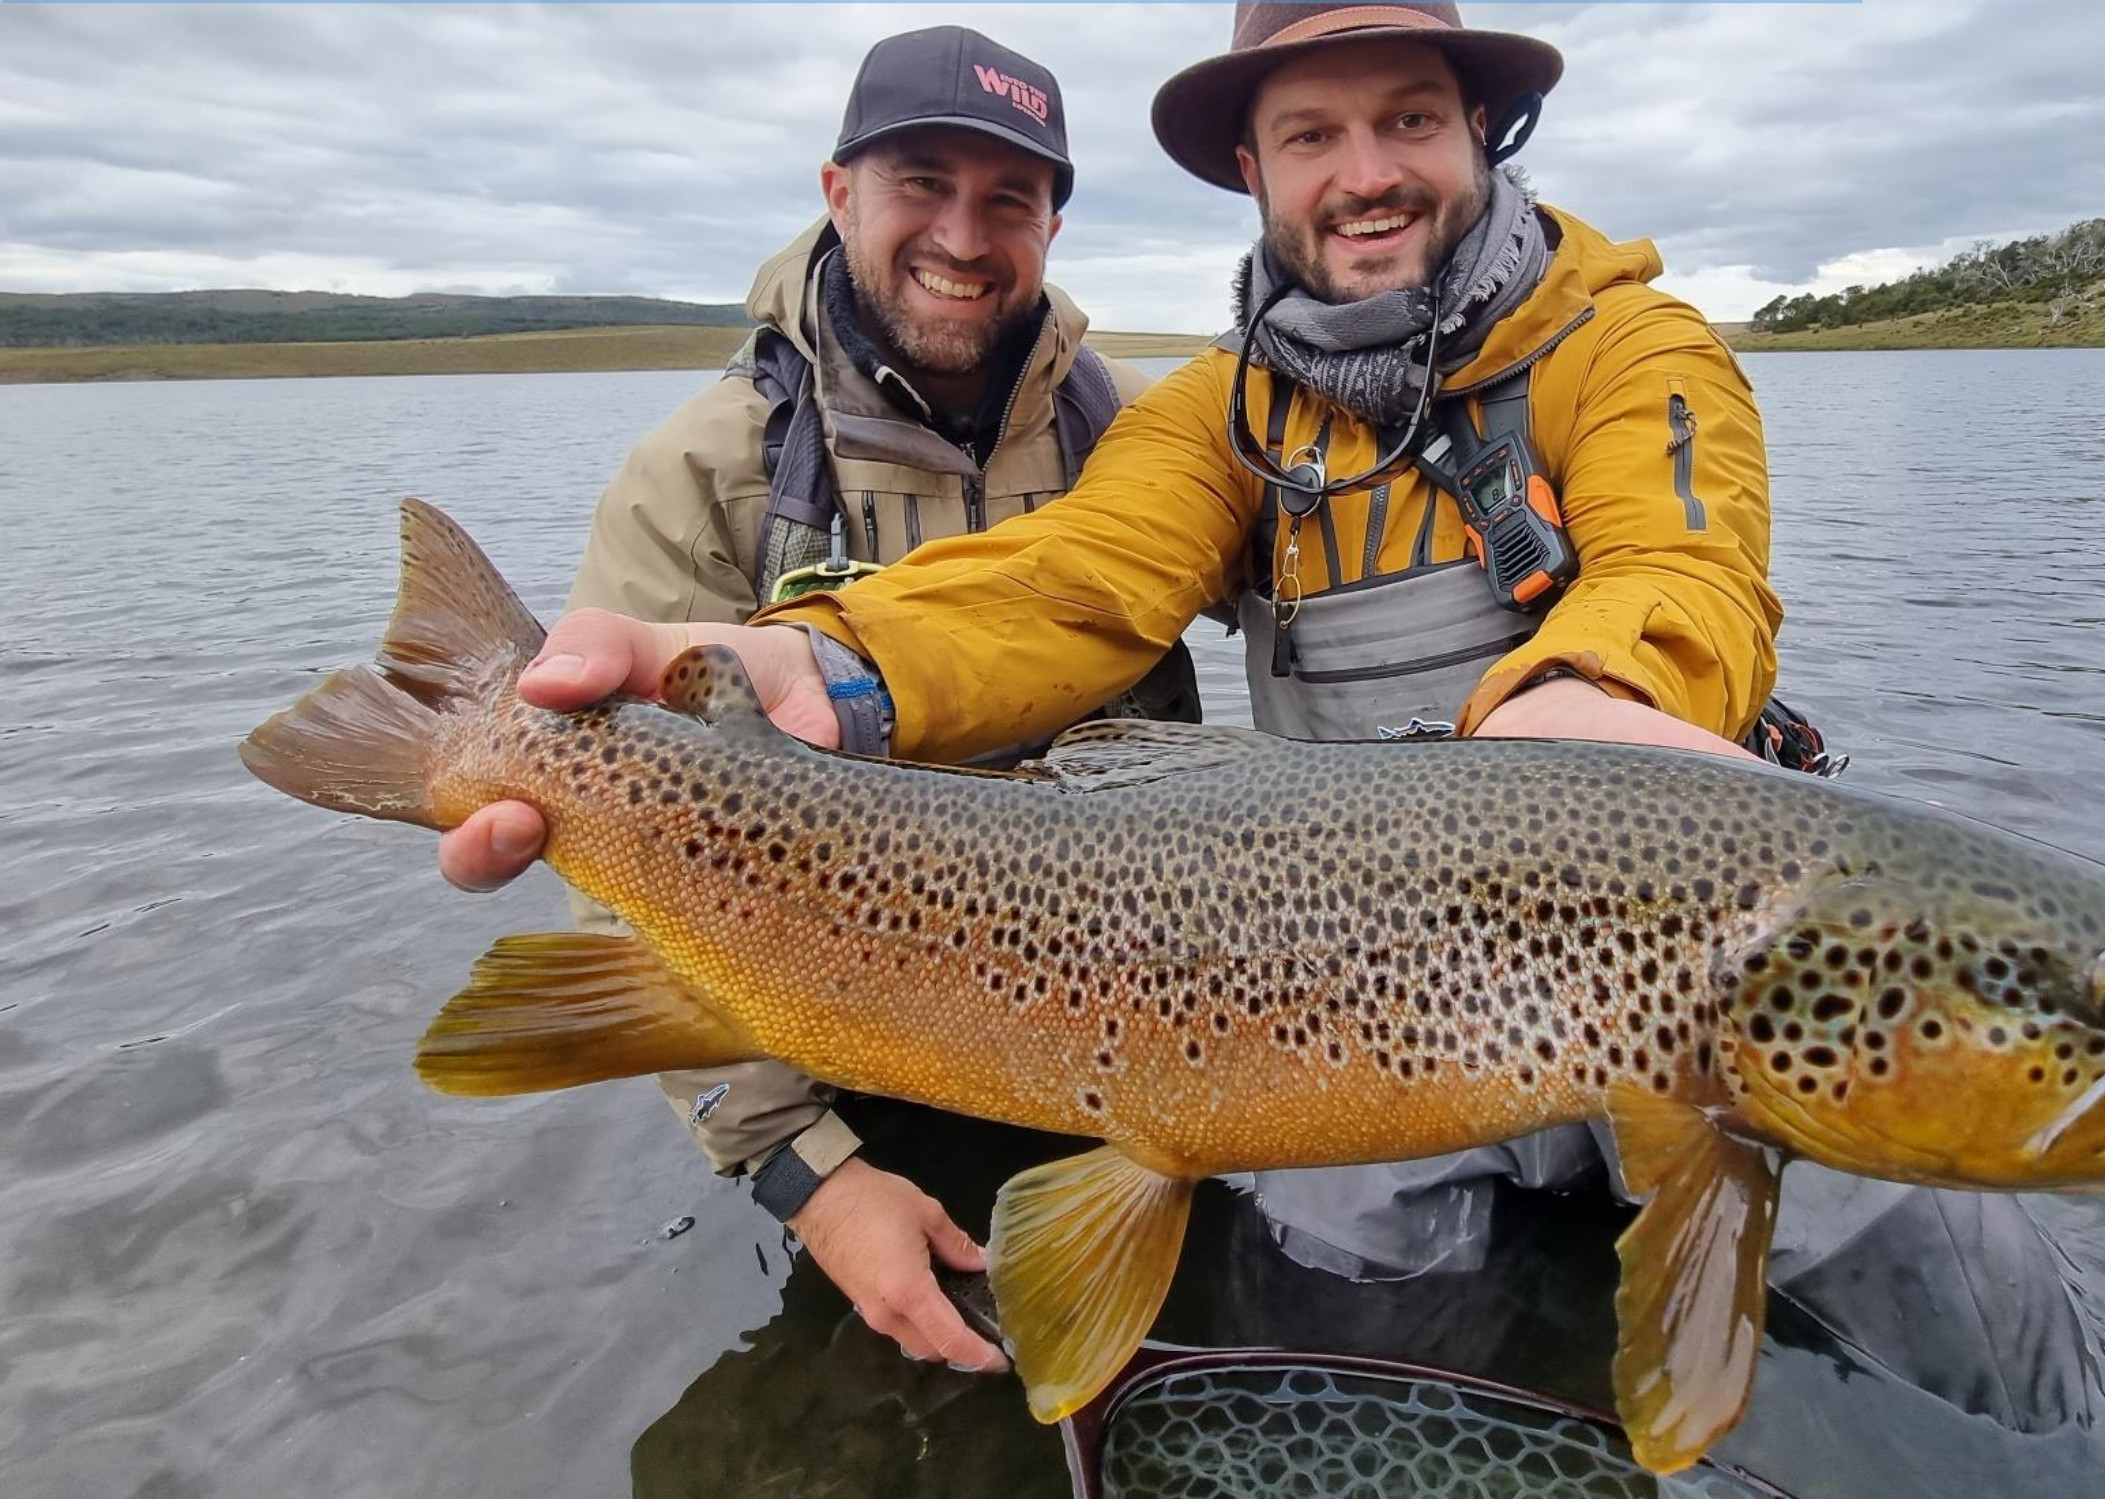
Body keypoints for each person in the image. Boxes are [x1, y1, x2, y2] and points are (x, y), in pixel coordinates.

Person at [445, 3, 1784, 1358]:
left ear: (1481, 132)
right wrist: (826, 663)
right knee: (1349, 1344)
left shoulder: (1632, 347)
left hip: (1670, 958)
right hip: (1327, 1020)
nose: (1366, 169)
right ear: (1252, 173)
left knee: (1938, 1297)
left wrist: (1595, 702)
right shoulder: (1218, 417)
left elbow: (1683, 564)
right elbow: (1077, 580)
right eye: (1310, 133)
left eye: (1410, 119)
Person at [515, 25, 1191, 1375]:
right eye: (920, 183)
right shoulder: (707, 473)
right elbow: (624, 864)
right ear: (838, 194)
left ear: (1054, 223)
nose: (963, 231)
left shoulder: (1128, 443)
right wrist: (802, 1174)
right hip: (848, 1067)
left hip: (1151, 1036)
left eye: (1010, 197)